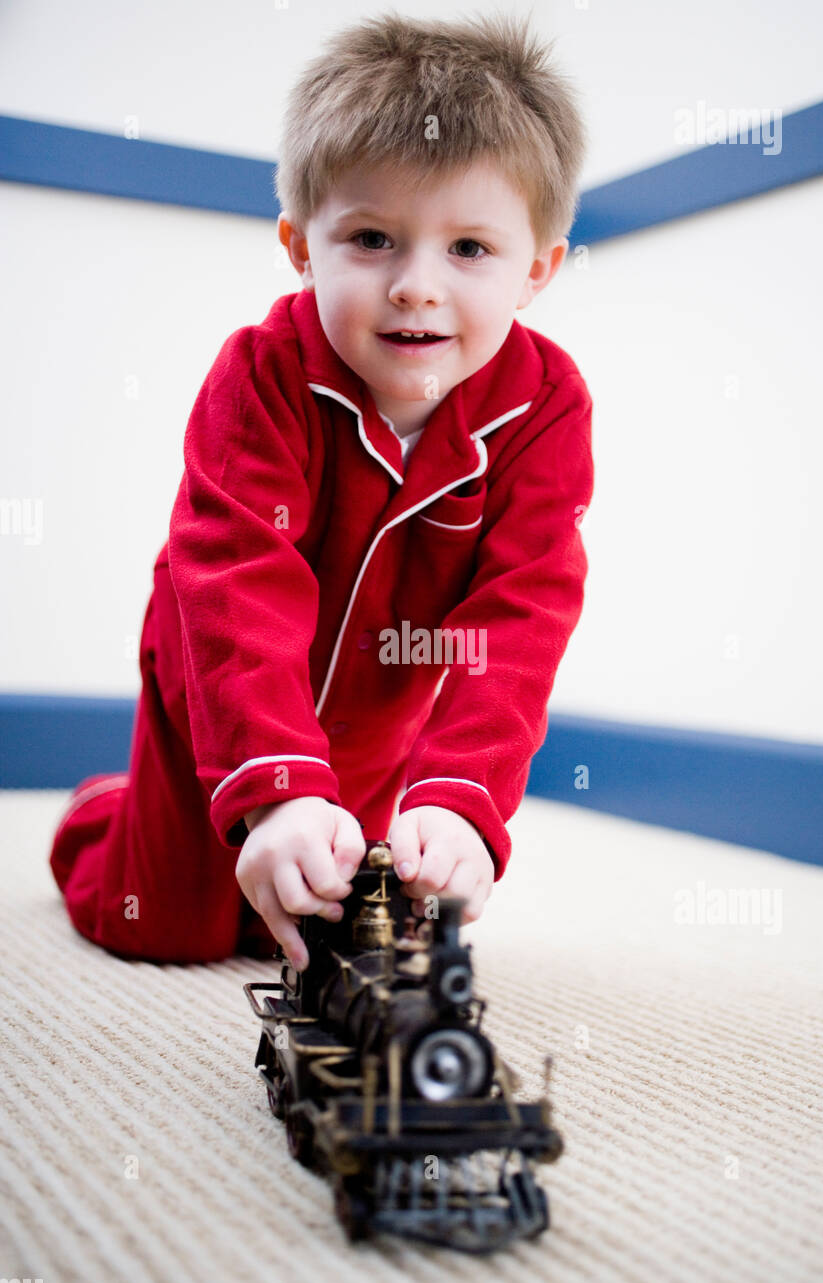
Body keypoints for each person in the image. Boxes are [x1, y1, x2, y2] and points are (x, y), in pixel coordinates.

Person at [48, 11, 594, 967]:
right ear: (302, 248)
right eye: (373, 238)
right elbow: (231, 575)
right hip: (219, 665)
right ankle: (102, 812)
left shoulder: (547, 407)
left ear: (537, 271)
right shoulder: (261, 372)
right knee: (161, 925)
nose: (417, 286)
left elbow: (521, 610)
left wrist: (460, 799)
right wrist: (280, 786)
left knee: (326, 912)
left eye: (470, 249)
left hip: (384, 697)